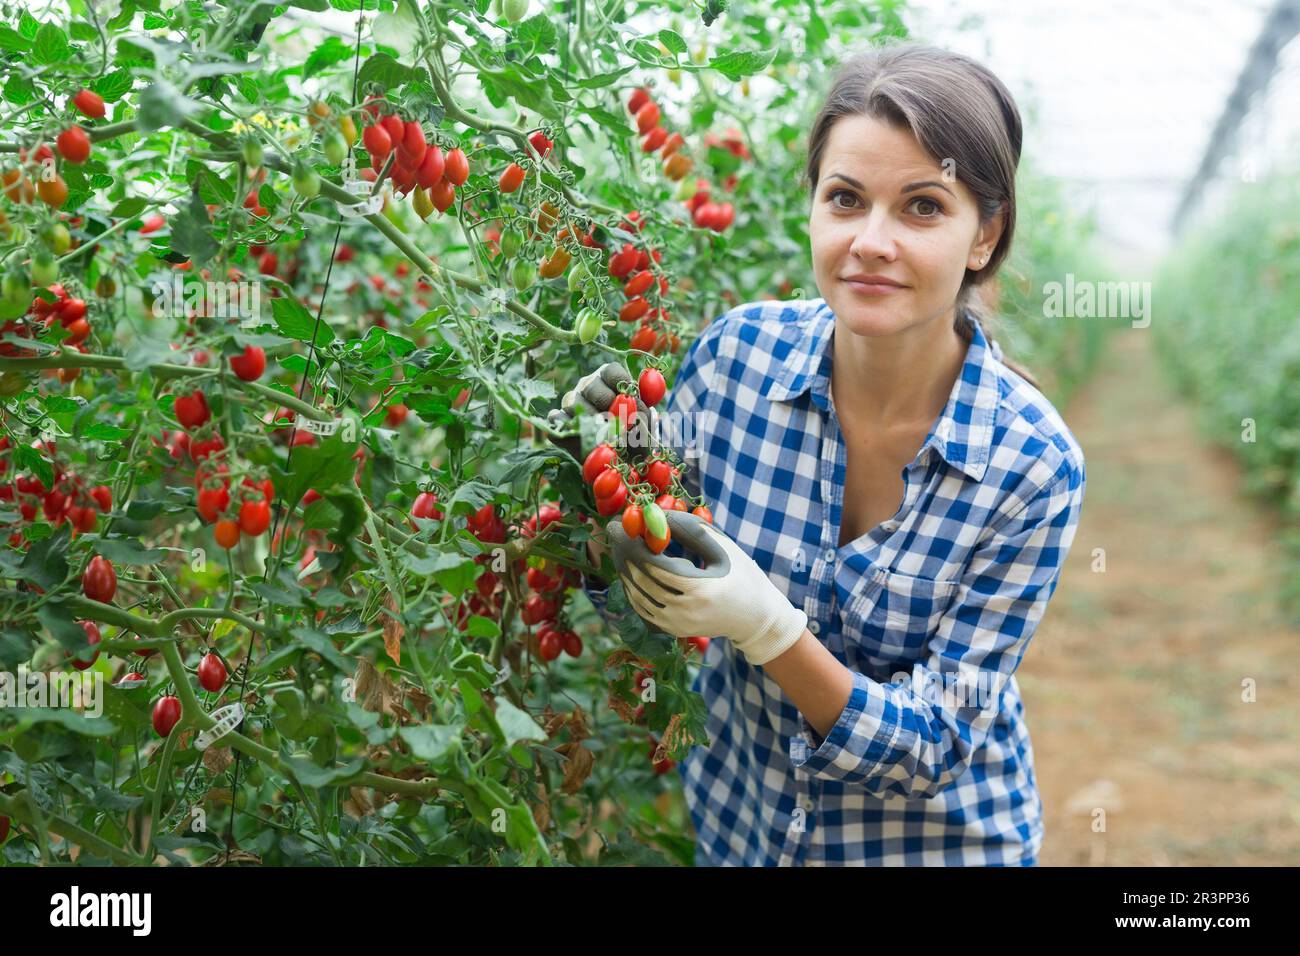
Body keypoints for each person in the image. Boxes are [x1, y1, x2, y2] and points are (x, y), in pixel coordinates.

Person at [562, 41, 1085, 866]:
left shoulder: (1031, 464)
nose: (871, 241)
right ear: (813, 209)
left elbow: (935, 743)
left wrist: (769, 628)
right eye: (846, 199)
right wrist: (609, 508)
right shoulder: (734, 363)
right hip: (743, 832)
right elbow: (642, 611)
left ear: (984, 236)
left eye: (922, 207)